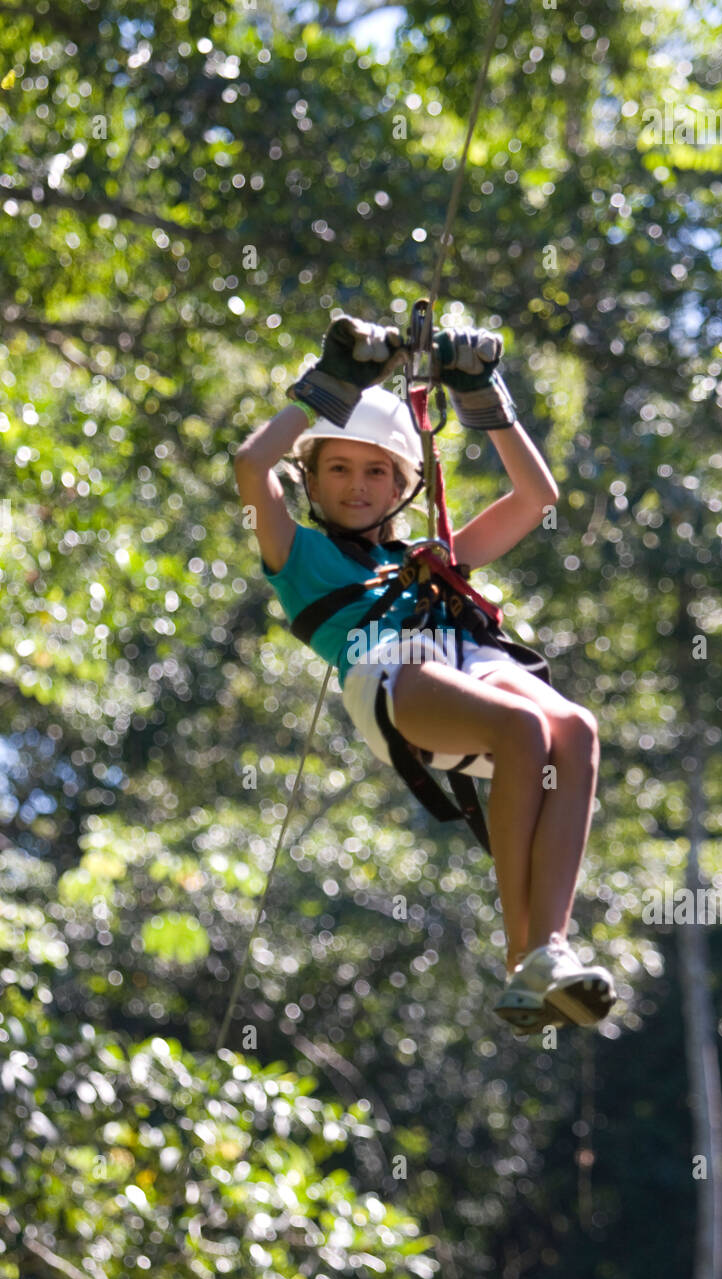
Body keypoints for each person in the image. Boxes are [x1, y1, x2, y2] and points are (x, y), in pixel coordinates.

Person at [235, 313, 616, 1036]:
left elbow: (536, 500)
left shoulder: (432, 557)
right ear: (311, 478)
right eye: (338, 468)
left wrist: (484, 397)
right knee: (521, 726)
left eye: (377, 470)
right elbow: (253, 468)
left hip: (465, 662)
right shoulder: (300, 557)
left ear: (405, 484)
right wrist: (334, 386)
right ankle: (523, 953)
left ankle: (551, 949)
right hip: (391, 673)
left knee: (574, 727)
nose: (357, 485)